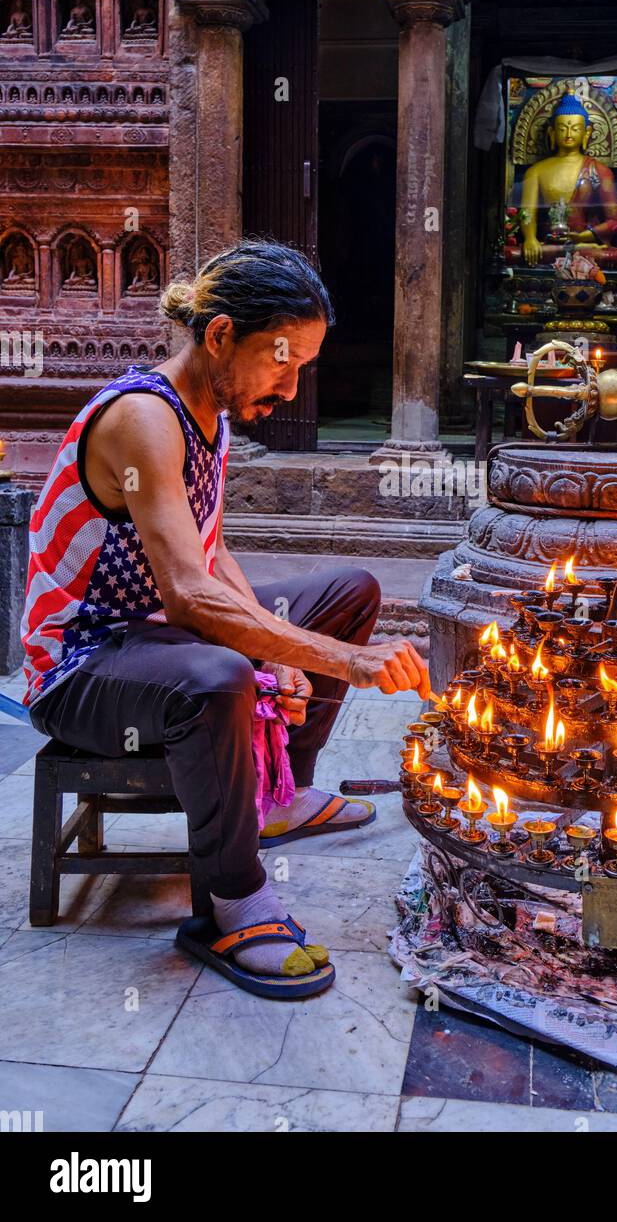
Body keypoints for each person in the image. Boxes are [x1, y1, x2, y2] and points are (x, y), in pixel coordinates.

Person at [22, 238, 429, 998]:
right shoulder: (143, 418)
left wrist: (286, 646)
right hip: (84, 663)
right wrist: (344, 663)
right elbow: (189, 595)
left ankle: (280, 795)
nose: (293, 383)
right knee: (219, 678)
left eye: (301, 363)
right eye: (282, 359)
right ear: (218, 337)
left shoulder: (213, 411)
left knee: (350, 591)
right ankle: (230, 903)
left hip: (157, 635)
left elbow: (210, 555)